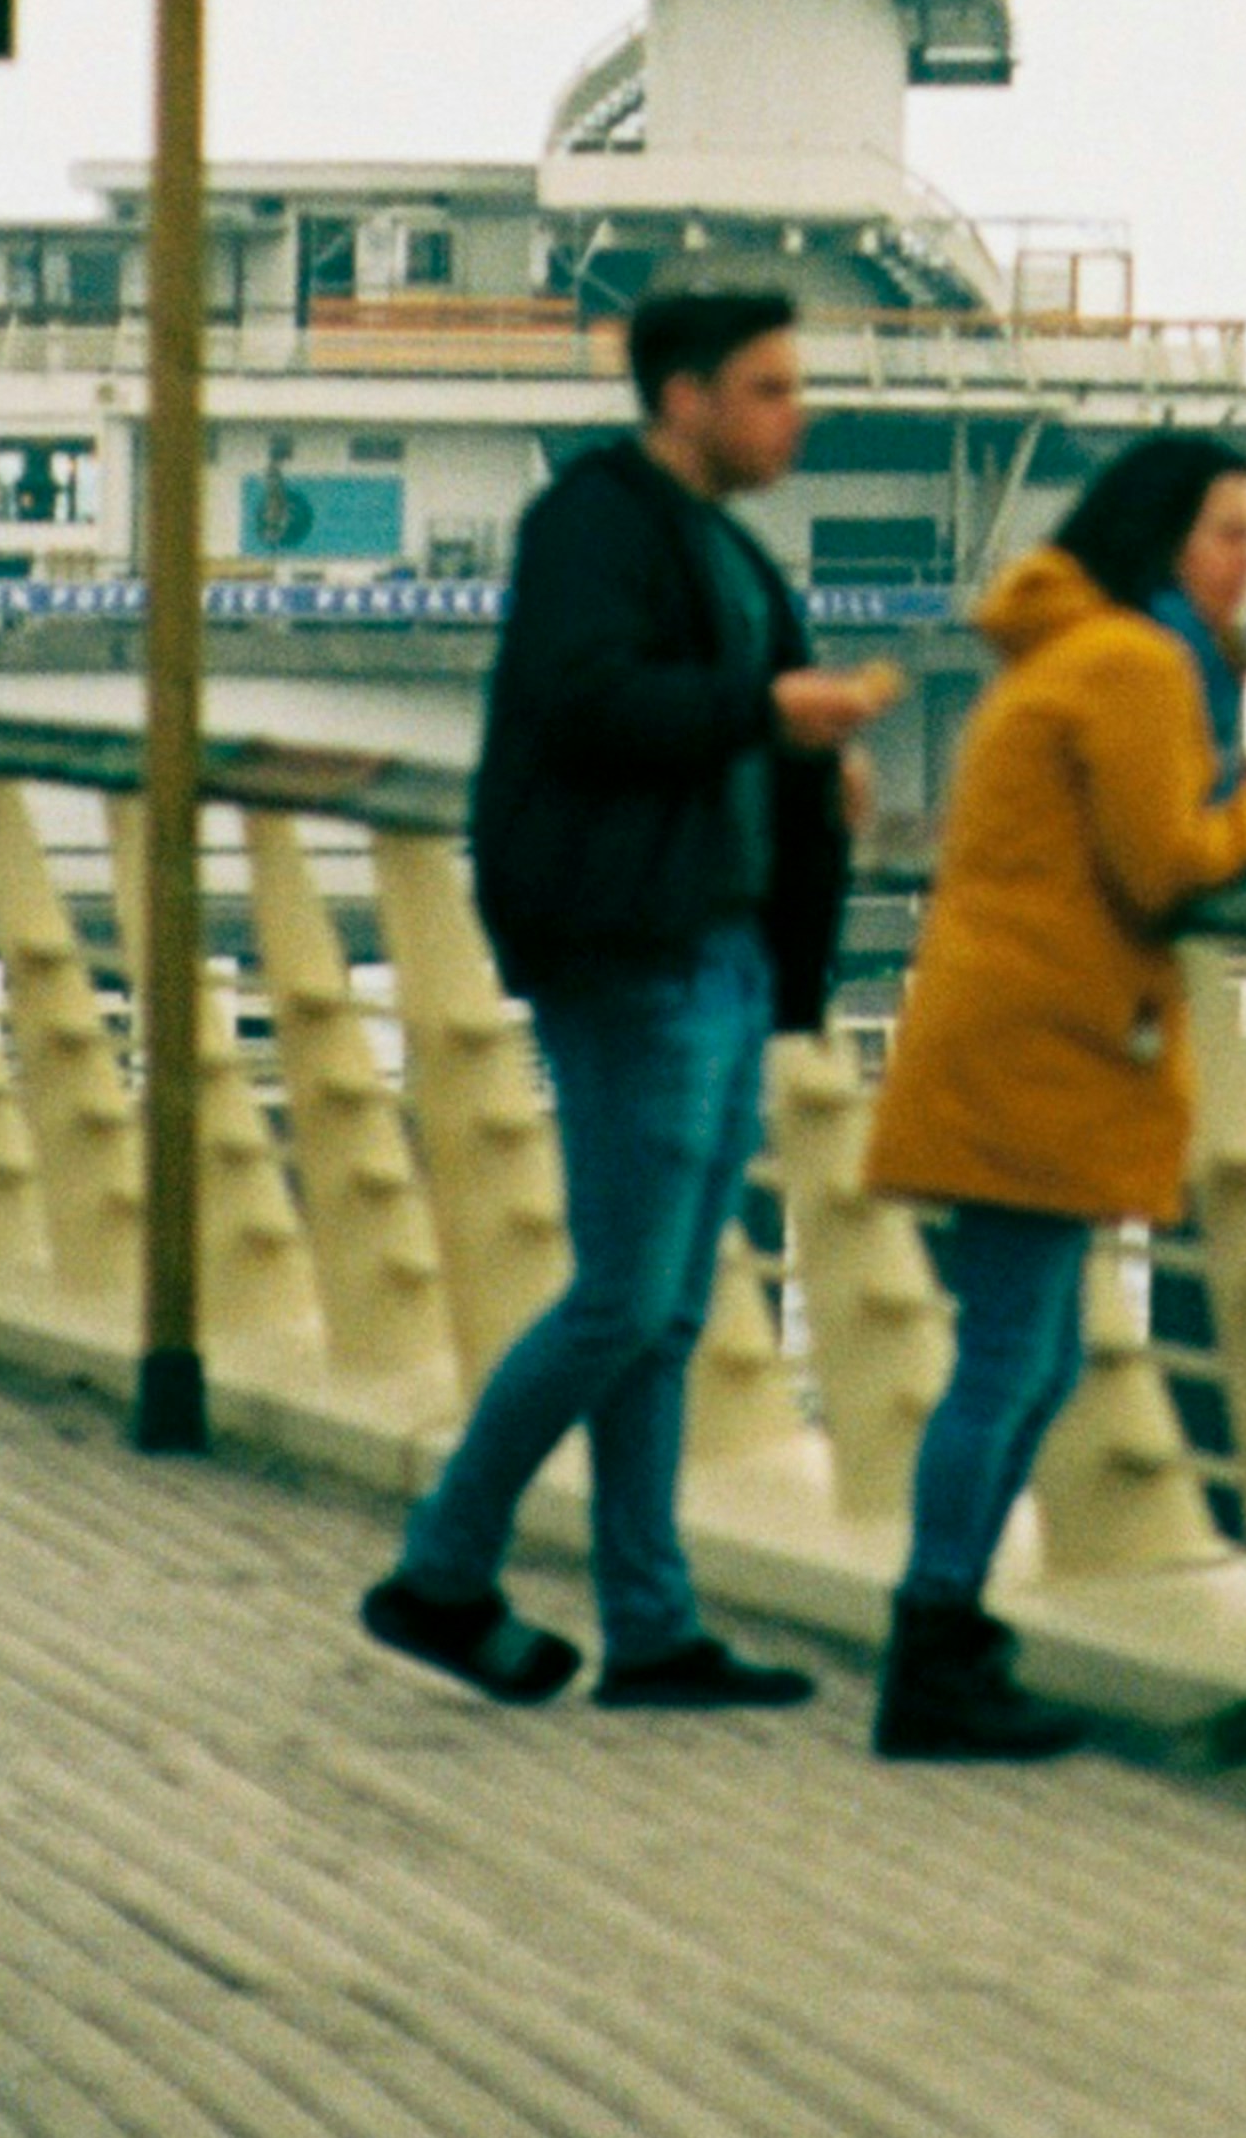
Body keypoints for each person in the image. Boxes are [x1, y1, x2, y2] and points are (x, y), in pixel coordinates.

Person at [360, 275, 883, 1712]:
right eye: (770, 387)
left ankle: (651, 1627)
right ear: (684, 396)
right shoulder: (592, 526)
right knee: (622, 1298)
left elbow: (711, 710)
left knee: (655, 1313)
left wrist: (805, 753)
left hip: (715, 950)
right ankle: (443, 1570)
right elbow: (587, 702)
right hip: (631, 951)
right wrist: (773, 715)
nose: (797, 414)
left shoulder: (717, 551)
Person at [859, 427, 1246, 1756]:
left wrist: (1243, 794)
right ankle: (933, 1645)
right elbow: (1163, 867)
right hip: (1044, 1045)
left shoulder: (1071, 652)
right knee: (1010, 1359)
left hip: (1008, 1030)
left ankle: (945, 1635)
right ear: (1163, 541)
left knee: (1030, 1355)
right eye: (1229, 535)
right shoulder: (1133, 660)